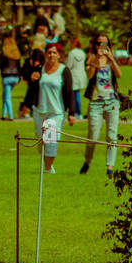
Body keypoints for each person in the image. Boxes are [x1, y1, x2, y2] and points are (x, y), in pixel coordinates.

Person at [80, 31, 122, 179]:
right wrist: (96, 60)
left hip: (111, 101)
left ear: (108, 44)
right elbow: (90, 75)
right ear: (94, 44)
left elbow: (119, 75)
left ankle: (110, 167)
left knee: (112, 135)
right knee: (93, 135)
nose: (101, 46)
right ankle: (88, 161)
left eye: (104, 43)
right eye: (98, 43)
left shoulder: (111, 58)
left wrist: (111, 59)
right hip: (96, 102)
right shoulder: (91, 58)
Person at [33, 42, 76, 173]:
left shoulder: (64, 70)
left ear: (59, 55)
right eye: (49, 52)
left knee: (51, 140)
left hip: (56, 113)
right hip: (40, 111)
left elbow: (69, 91)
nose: (51, 55)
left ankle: (47, 169)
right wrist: (32, 79)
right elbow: (32, 87)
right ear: (46, 54)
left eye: (54, 52)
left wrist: (72, 113)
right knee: (41, 142)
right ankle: (48, 164)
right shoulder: (40, 68)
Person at [0, 27, 22, 120]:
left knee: (7, 97)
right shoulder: (17, 54)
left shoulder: (4, 54)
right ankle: (3, 115)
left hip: (6, 78)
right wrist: (20, 78)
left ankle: (10, 116)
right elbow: (19, 67)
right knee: (5, 95)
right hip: (15, 77)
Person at [18, 41, 46, 120]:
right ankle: (24, 112)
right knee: (31, 96)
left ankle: (27, 112)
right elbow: (36, 64)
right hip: (35, 79)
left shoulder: (33, 53)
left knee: (32, 96)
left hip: (32, 78)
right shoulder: (38, 52)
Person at [66, 35, 87, 118]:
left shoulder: (71, 53)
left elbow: (69, 65)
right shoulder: (82, 52)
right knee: (77, 93)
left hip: (73, 75)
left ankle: (76, 112)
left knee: (74, 95)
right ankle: (78, 112)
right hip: (81, 75)